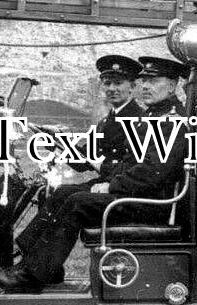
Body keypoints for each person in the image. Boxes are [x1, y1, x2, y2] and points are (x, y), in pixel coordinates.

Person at [0, 54, 189, 294]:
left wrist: (111, 185)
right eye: (144, 81)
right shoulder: (153, 116)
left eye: (154, 81)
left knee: (77, 202)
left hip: (150, 202)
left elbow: (151, 172)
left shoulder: (171, 121)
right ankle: (38, 265)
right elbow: (131, 164)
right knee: (65, 192)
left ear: (172, 86)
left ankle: (31, 275)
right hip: (139, 194)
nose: (146, 86)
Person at [14, 55, 144, 263]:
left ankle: (33, 264)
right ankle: (30, 254)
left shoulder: (138, 120)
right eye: (107, 83)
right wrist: (55, 140)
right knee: (59, 192)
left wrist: (100, 165)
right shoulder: (107, 120)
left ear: (132, 87)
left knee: (71, 198)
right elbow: (81, 161)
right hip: (108, 183)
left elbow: (132, 167)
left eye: (118, 83)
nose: (112, 88)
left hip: (121, 190)